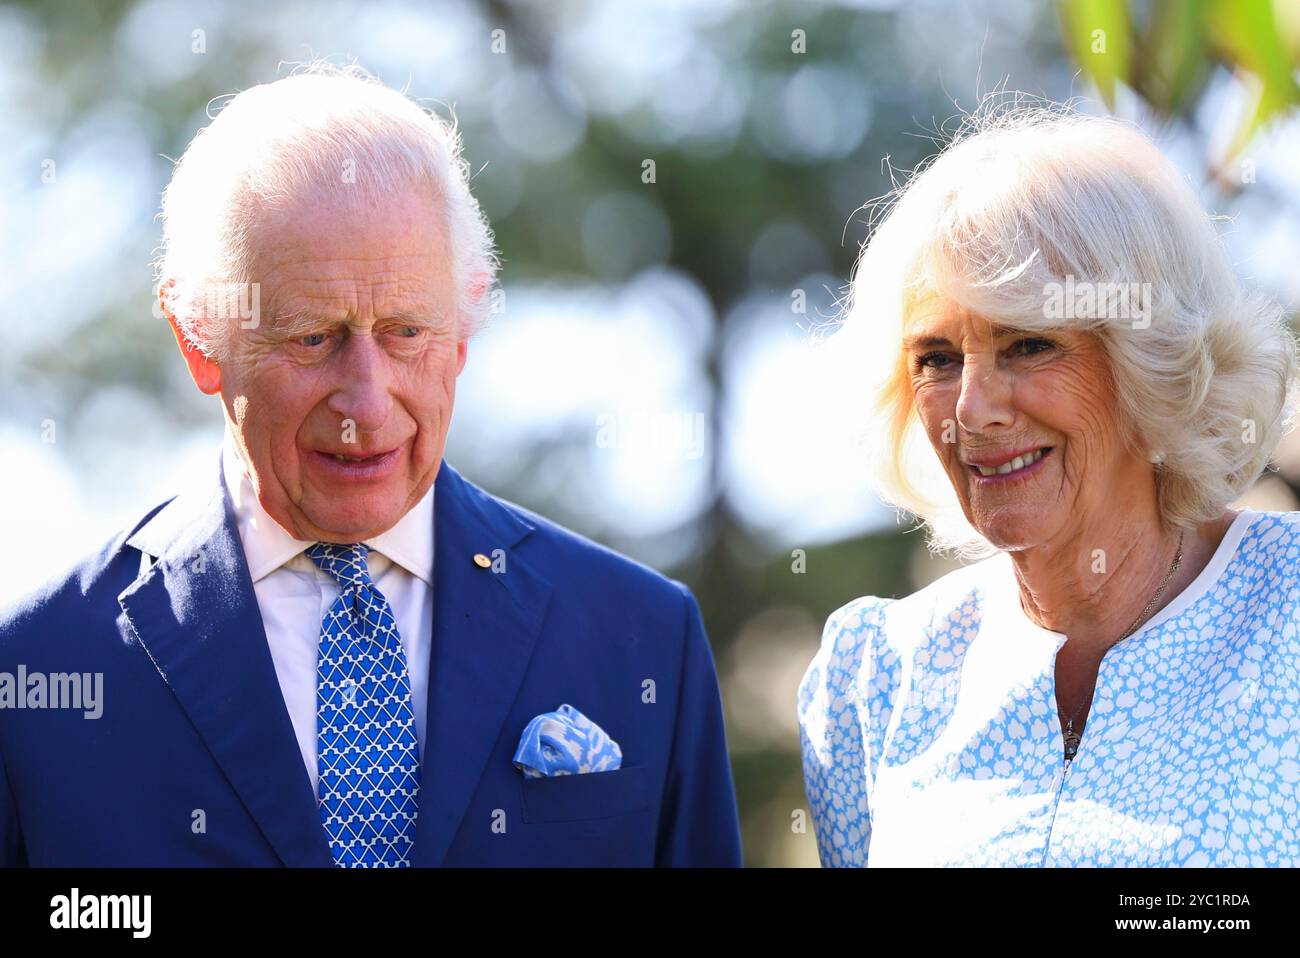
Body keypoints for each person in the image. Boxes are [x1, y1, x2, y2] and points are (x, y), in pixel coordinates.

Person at [0, 64, 742, 868]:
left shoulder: (639, 639)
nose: (367, 402)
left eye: (406, 332)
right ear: (198, 341)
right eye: (312, 338)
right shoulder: (41, 671)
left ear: (461, 334)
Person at [798, 103, 1300, 867]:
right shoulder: (875, 677)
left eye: (1028, 344)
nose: (972, 408)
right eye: (935, 358)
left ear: (1152, 360)